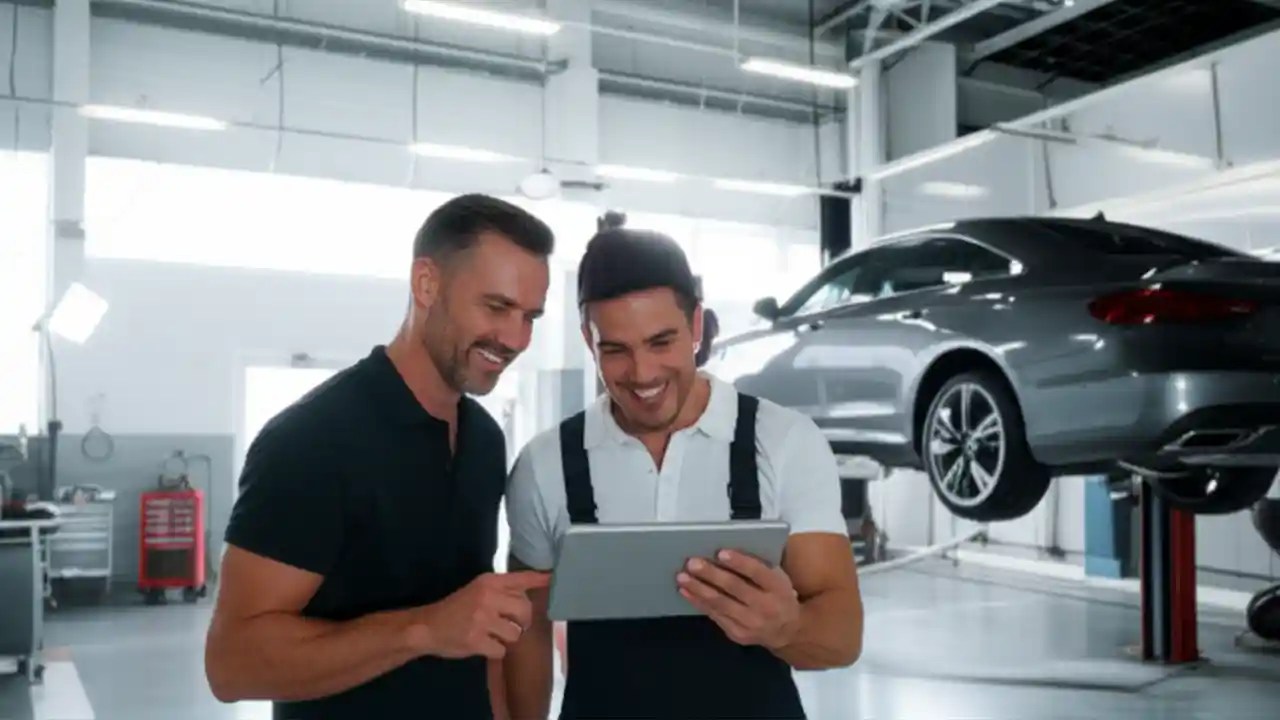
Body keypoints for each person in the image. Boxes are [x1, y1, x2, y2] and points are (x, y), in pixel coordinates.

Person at [204, 194, 556, 719]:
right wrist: (424, 629)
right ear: (426, 284)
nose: (515, 338)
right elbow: (231, 665)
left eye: (530, 317)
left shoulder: (484, 439)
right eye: (496, 307)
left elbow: (479, 633)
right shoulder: (312, 441)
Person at [501, 228, 864, 720]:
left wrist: (787, 628)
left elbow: (843, 638)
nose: (643, 372)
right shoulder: (545, 466)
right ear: (588, 339)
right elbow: (526, 628)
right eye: (616, 349)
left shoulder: (785, 443)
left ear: (695, 324)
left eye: (661, 341)